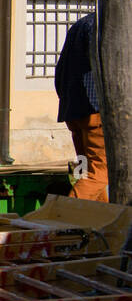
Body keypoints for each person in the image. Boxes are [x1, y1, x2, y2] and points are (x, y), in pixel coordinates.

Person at [55, 11, 108, 201]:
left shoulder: (80, 25)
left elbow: (60, 69)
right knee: (100, 172)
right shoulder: (106, 23)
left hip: (74, 113)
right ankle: (69, 216)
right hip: (96, 112)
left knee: (86, 170)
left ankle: (99, 220)